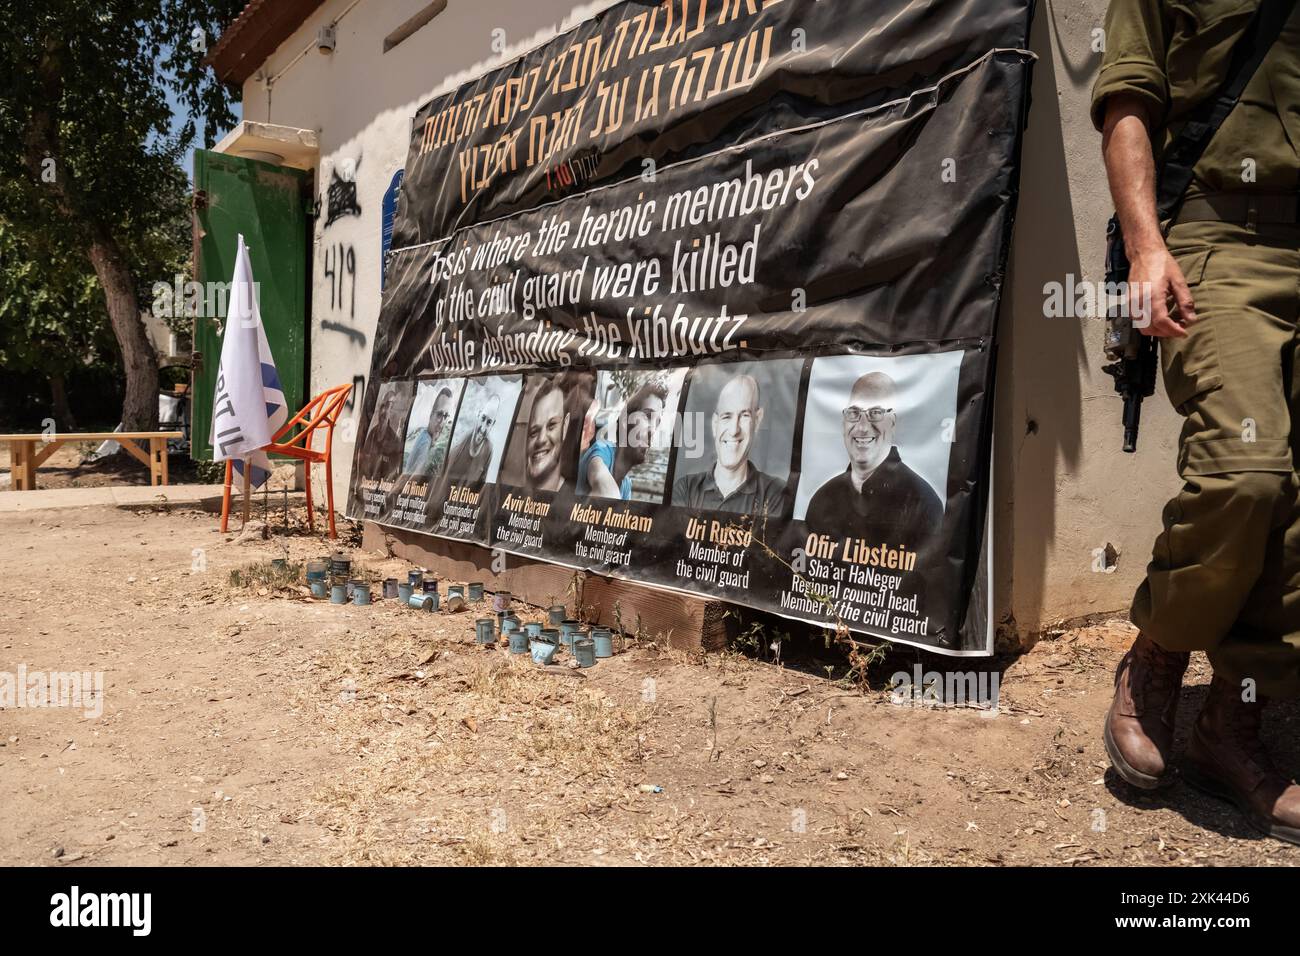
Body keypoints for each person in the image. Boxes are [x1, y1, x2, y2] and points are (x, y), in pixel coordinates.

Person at [1094, 0, 1300, 844]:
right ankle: (1156, 658)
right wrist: (1147, 248)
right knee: (1244, 474)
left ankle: (1231, 724)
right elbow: (1127, 102)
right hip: (1219, 241)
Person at [803, 371, 941, 550]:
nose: (861, 427)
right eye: (854, 412)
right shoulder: (822, 501)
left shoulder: (924, 504)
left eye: (875, 412)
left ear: (893, 422)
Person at [672, 372, 788, 515]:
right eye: (726, 416)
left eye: (745, 416)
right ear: (715, 424)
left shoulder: (775, 494)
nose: (734, 430)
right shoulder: (686, 489)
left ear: (757, 421)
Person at [576, 379, 667, 500]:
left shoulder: (626, 486)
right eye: (647, 416)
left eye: (657, 423)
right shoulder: (601, 452)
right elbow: (598, 475)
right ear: (625, 420)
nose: (653, 430)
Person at [522, 379, 570, 494]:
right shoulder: (512, 498)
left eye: (551, 425)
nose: (541, 439)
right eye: (534, 432)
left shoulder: (576, 503)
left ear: (565, 425)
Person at [444, 393, 501, 486]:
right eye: (483, 418)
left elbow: (481, 485)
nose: (483, 428)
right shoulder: (458, 445)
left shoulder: (489, 449)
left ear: (493, 424)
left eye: (489, 422)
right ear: (478, 414)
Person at [404, 385, 454, 476]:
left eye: (446, 416)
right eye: (439, 414)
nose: (442, 422)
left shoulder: (425, 437)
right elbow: (417, 477)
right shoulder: (425, 442)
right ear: (431, 415)